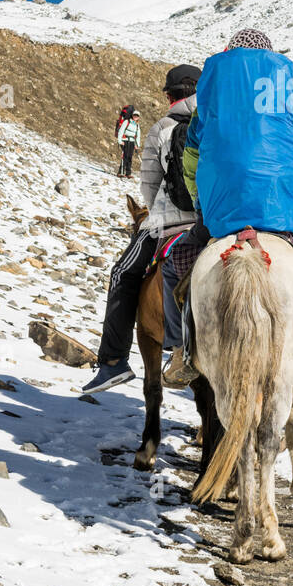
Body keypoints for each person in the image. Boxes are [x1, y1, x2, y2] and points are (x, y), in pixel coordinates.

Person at [162, 28, 293, 396]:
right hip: (282, 211)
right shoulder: (289, 94)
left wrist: (204, 204)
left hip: (222, 215)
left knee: (174, 267)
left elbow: (191, 159)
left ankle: (179, 352)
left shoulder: (210, 97)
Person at [83, 66, 201, 395]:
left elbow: (149, 188)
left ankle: (113, 362)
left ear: (170, 95)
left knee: (122, 273)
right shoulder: (218, 125)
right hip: (215, 224)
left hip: (169, 223)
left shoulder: (162, 128)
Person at [117, 109, 141, 178]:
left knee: (130, 157)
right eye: (135, 115)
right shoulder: (127, 122)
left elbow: (138, 135)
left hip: (132, 142)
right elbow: (121, 131)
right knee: (125, 156)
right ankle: (121, 172)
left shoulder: (137, 125)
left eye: (137, 116)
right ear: (132, 115)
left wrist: (137, 145)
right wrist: (120, 141)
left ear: (138, 117)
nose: (136, 117)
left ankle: (128, 173)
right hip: (125, 140)